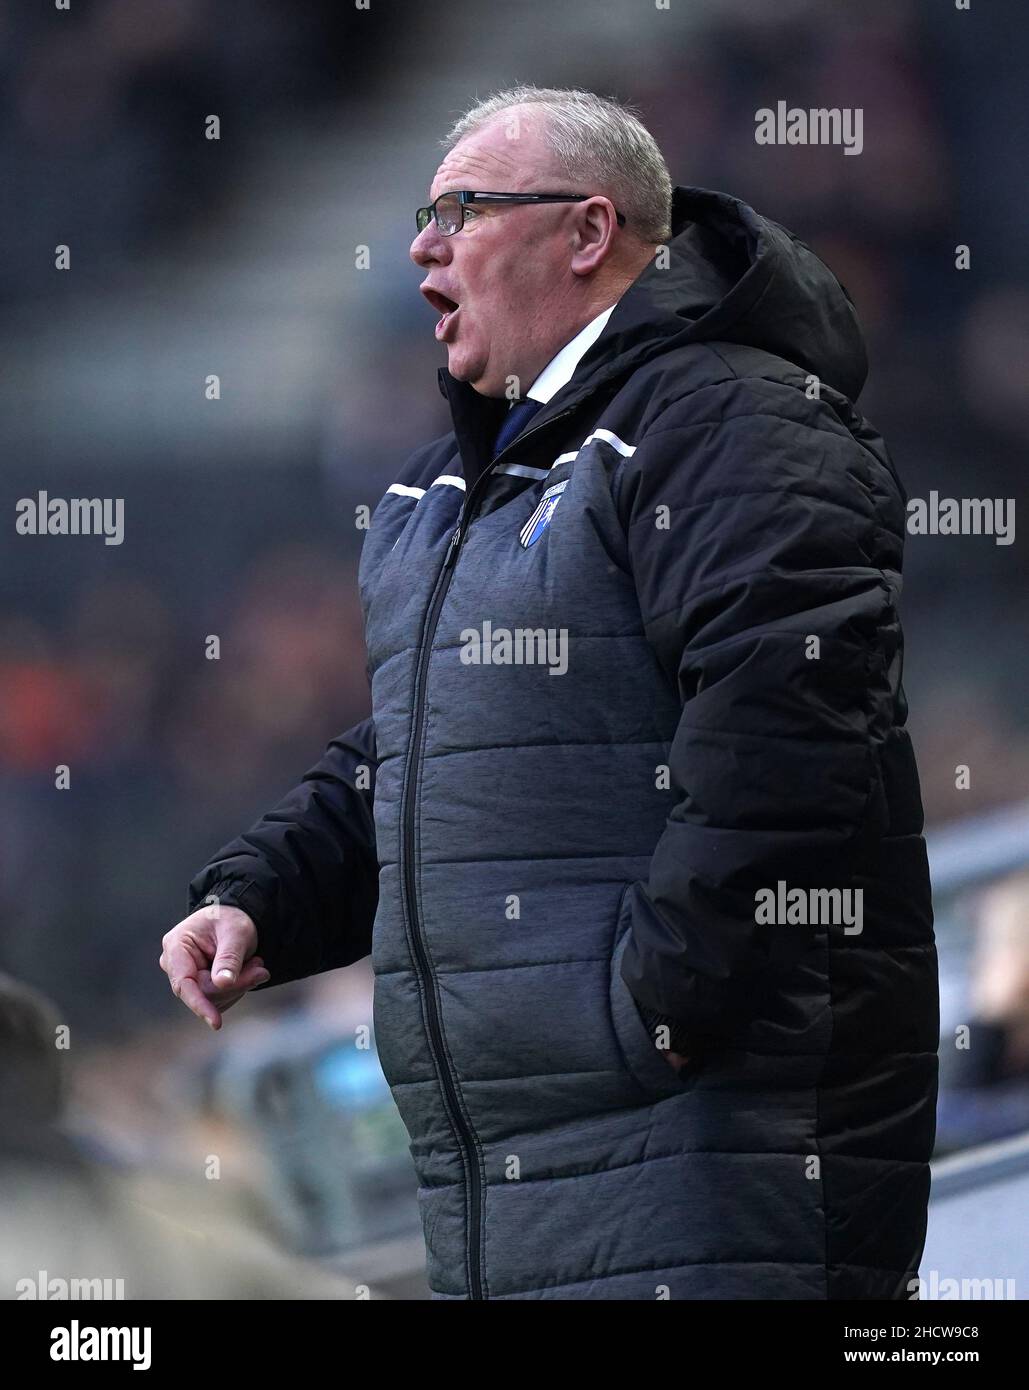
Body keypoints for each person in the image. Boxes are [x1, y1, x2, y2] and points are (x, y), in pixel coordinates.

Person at [164, 85, 940, 1300]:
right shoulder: (461, 483)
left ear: (587, 234)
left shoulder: (729, 419)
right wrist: (267, 891)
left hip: (710, 1162)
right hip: (523, 1188)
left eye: (460, 210)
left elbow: (788, 729)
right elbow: (445, 742)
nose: (422, 246)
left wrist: (657, 1010)